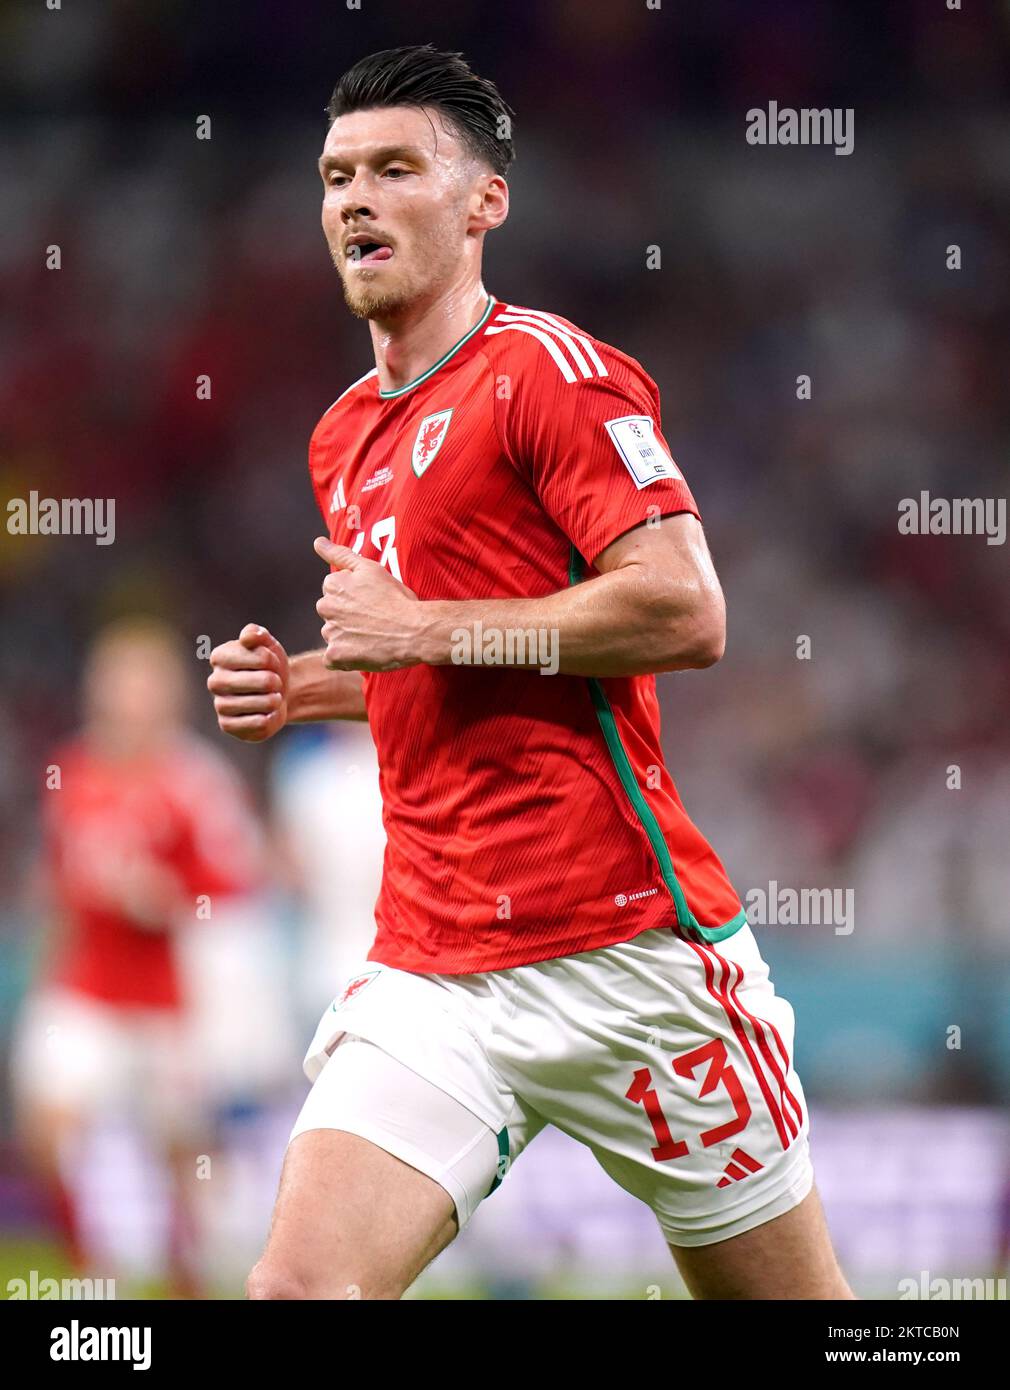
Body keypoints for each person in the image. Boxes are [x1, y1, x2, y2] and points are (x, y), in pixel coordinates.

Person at [207, 44, 852, 1300]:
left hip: (627, 954)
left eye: (396, 169)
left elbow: (684, 609)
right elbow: (425, 655)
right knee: (294, 1291)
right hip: (434, 967)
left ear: (482, 202)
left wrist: (424, 629)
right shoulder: (341, 433)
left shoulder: (550, 375)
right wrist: (314, 683)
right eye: (337, 175)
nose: (354, 200)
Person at [13, 617, 265, 1296]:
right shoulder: (71, 769)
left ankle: (190, 1274)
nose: (128, 694)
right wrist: (48, 973)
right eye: (117, 678)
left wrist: (168, 899)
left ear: (169, 693)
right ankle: (88, 1273)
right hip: (85, 986)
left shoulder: (194, 781)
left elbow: (237, 883)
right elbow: (62, 879)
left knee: (179, 1154)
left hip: (166, 1001)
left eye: (143, 680)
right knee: (45, 1123)